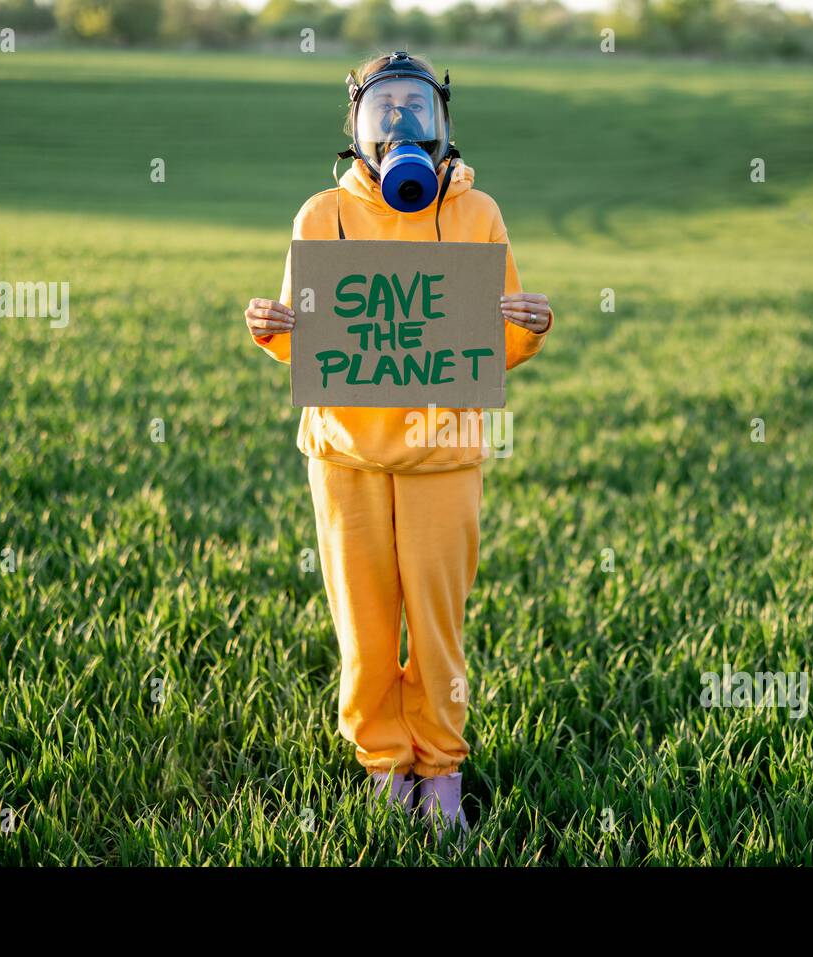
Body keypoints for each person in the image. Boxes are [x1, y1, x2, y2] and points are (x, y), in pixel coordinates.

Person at [245, 51, 553, 840]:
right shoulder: (321, 214)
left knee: (438, 621)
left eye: (419, 109)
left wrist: (527, 328)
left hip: (445, 452)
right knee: (366, 623)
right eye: (385, 111)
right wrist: (272, 334)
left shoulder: (479, 212)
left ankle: (441, 767)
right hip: (344, 456)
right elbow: (306, 339)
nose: (403, 125)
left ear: (446, 124)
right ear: (355, 128)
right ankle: (384, 764)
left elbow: (494, 342)